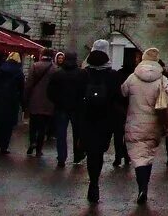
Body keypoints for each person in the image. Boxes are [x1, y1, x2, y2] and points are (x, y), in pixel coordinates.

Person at [121, 47, 168, 204]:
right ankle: (144, 186)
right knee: (148, 155)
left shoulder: (132, 78)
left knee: (138, 156)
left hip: (134, 123)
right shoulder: (162, 80)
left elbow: (123, 93)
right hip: (154, 125)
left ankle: (141, 186)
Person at [77, 39, 123, 203]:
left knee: (91, 152)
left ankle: (93, 182)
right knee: (99, 151)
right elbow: (119, 98)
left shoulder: (83, 74)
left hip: (87, 118)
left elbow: (76, 97)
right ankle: (95, 181)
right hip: (105, 119)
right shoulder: (113, 75)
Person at [48, 51, 87, 168]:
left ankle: (61, 157)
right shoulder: (82, 74)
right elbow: (86, 89)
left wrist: (57, 101)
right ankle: (77, 155)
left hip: (61, 108)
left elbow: (50, 92)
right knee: (78, 132)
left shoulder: (58, 74)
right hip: (77, 108)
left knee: (61, 134)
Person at [0, 51, 24, 155]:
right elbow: (21, 88)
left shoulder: (1, 69)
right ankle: (4, 146)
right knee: (8, 124)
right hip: (12, 101)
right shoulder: (19, 72)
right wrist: (22, 102)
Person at [23, 50, 56, 157]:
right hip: (49, 102)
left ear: (42, 55)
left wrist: (26, 99)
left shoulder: (35, 66)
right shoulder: (55, 69)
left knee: (33, 124)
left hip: (35, 100)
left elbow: (28, 85)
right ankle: (39, 149)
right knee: (43, 127)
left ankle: (32, 141)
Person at [112, 48, 138, 167]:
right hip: (131, 108)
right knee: (128, 135)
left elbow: (115, 92)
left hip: (118, 108)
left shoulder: (117, 74)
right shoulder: (135, 76)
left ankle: (118, 157)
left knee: (118, 134)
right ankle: (127, 156)